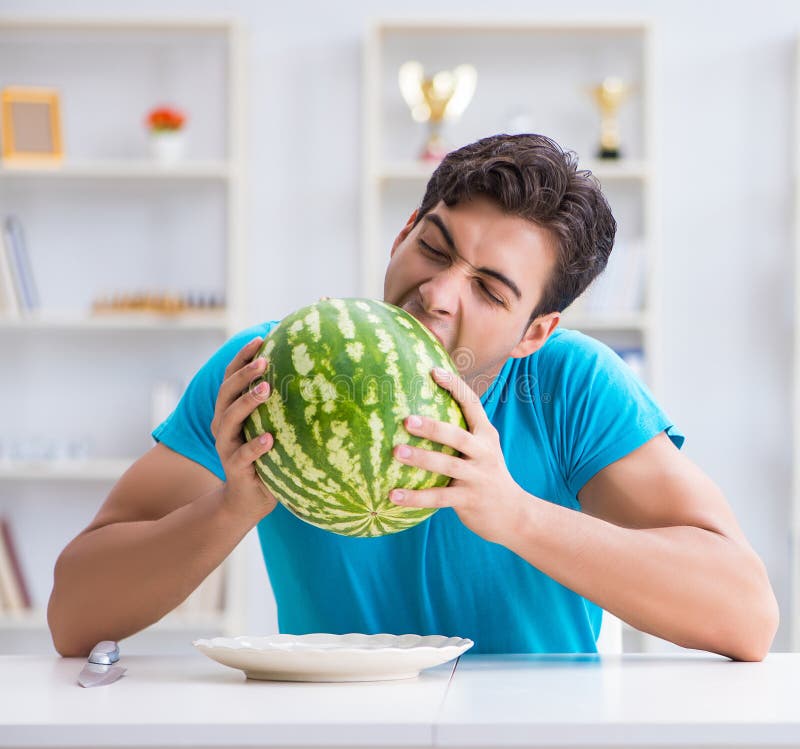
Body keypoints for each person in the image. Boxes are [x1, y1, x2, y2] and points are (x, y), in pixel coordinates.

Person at [47, 133, 778, 660]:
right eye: (433, 248)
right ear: (402, 234)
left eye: (490, 290)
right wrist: (232, 505)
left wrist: (516, 514)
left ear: (535, 331)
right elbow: (75, 617)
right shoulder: (269, 368)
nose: (437, 294)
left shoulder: (569, 384)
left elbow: (747, 614)